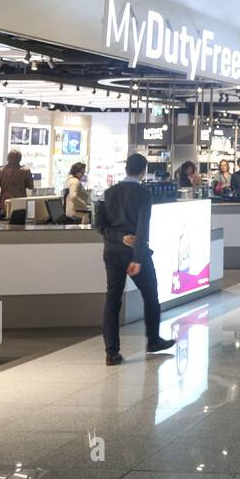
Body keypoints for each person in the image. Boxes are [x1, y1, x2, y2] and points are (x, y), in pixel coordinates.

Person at [92, 154, 175, 366]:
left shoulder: (107, 194)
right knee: (150, 295)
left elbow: (99, 226)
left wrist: (119, 237)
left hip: (112, 253)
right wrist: (137, 258)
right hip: (135, 255)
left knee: (113, 299)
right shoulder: (143, 194)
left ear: (126, 168)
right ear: (143, 170)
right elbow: (142, 228)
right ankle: (153, 340)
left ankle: (111, 352)